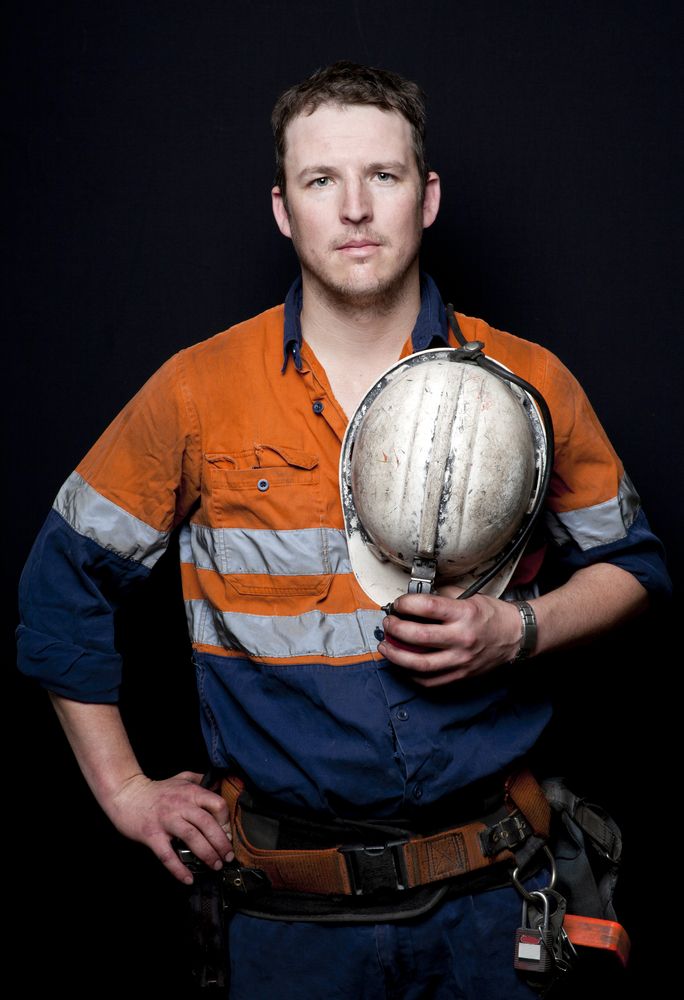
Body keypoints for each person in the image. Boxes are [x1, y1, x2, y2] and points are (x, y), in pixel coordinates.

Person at [17, 61, 670, 998]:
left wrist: (517, 630)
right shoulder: (197, 391)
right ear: (284, 209)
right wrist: (124, 790)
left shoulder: (529, 383)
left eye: (384, 176)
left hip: (492, 904)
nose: (355, 208)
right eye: (321, 180)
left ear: (427, 198)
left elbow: (634, 566)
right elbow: (60, 587)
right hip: (287, 928)